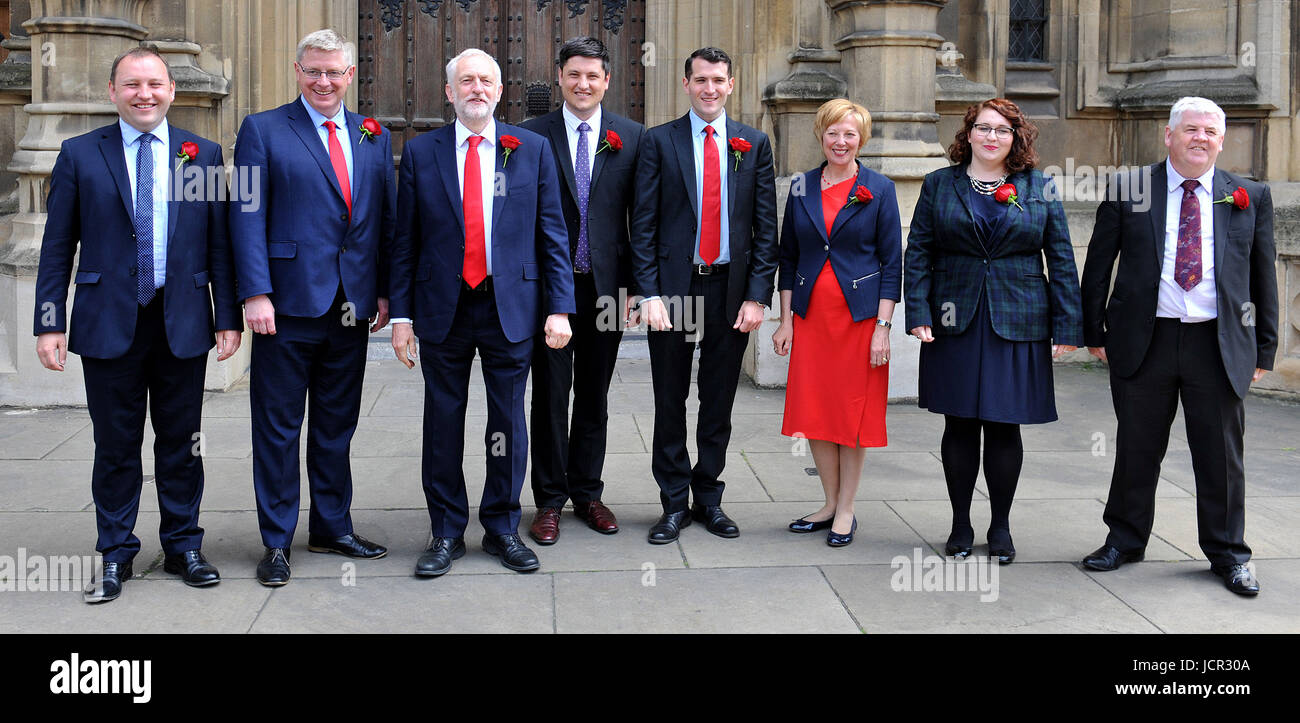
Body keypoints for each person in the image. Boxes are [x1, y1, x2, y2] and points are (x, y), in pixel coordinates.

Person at [33, 47, 241, 603]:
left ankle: (183, 545)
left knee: (182, 442)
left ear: (172, 90)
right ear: (113, 92)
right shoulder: (80, 154)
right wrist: (49, 322)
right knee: (116, 444)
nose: (144, 94)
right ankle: (115, 552)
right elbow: (57, 249)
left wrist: (228, 317)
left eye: (154, 84)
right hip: (107, 322)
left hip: (182, 319)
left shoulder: (203, 154)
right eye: (132, 85)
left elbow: (218, 243)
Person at [1079, 97, 1278, 596]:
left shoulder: (1249, 195)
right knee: (1137, 447)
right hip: (1146, 339)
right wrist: (1093, 331)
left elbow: (1262, 277)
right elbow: (1099, 264)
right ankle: (1124, 539)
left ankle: (1228, 554)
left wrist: (1265, 349)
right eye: (1191, 129)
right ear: (1169, 136)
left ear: (1222, 140)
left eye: (1211, 131)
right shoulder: (1131, 188)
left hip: (1219, 342)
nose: (1201, 138)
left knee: (1221, 455)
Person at [389, 48, 575, 577]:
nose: (477, 89)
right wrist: (401, 316)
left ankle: (499, 527)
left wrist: (560, 308)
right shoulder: (423, 153)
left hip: (509, 307)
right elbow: (407, 241)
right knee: (443, 421)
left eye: (486, 81)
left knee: (508, 422)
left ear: (499, 91)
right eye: (466, 81)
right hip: (441, 308)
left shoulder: (530, 149)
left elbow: (553, 237)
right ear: (449, 92)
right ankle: (446, 531)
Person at [230, 29, 395, 586]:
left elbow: (382, 220)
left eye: (335, 72)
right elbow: (246, 215)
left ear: (351, 76)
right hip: (286, 304)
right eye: (313, 71)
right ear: (297, 71)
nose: (324, 82)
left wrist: (384, 291)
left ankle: (331, 526)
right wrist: (255, 292)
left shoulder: (373, 134)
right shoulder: (263, 129)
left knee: (335, 426)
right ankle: (276, 540)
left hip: (351, 305)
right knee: (278, 428)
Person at [903, 98, 1083, 564]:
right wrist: (918, 312)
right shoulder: (939, 185)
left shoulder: (1037, 187)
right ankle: (961, 523)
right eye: (983, 128)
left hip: (1019, 317)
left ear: (1015, 139)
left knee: (1005, 425)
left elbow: (1060, 257)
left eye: (1002, 131)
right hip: (953, 318)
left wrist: (1067, 323)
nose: (991, 137)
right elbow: (918, 251)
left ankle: (1000, 525)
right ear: (968, 135)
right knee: (959, 423)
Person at [629, 47, 778, 544]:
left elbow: (765, 229)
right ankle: (673, 502)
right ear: (686, 84)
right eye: (700, 80)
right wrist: (647, 293)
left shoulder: (753, 144)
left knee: (718, 400)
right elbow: (643, 225)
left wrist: (758, 297)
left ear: (730, 84)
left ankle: (708, 498)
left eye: (718, 80)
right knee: (669, 397)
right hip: (674, 288)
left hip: (729, 289)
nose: (709, 88)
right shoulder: (658, 142)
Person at [520, 37, 644, 545]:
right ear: (560, 78)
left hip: (609, 288)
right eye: (574, 74)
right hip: (550, 288)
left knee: (594, 393)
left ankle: (588, 493)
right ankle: (549, 500)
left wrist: (639, 287)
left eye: (592, 75)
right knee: (550, 394)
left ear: (607, 80)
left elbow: (644, 219)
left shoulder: (632, 137)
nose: (583, 83)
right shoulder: (530, 136)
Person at [772, 99, 901, 547]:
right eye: (832, 133)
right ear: (820, 135)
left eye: (849, 134)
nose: (840, 142)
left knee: (851, 414)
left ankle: (847, 509)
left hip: (859, 322)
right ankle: (828, 503)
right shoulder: (802, 186)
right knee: (817, 412)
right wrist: (785, 321)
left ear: (860, 139)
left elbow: (891, 263)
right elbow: (788, 256)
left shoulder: (879, 189)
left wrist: (883, 328)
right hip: (810, 319)